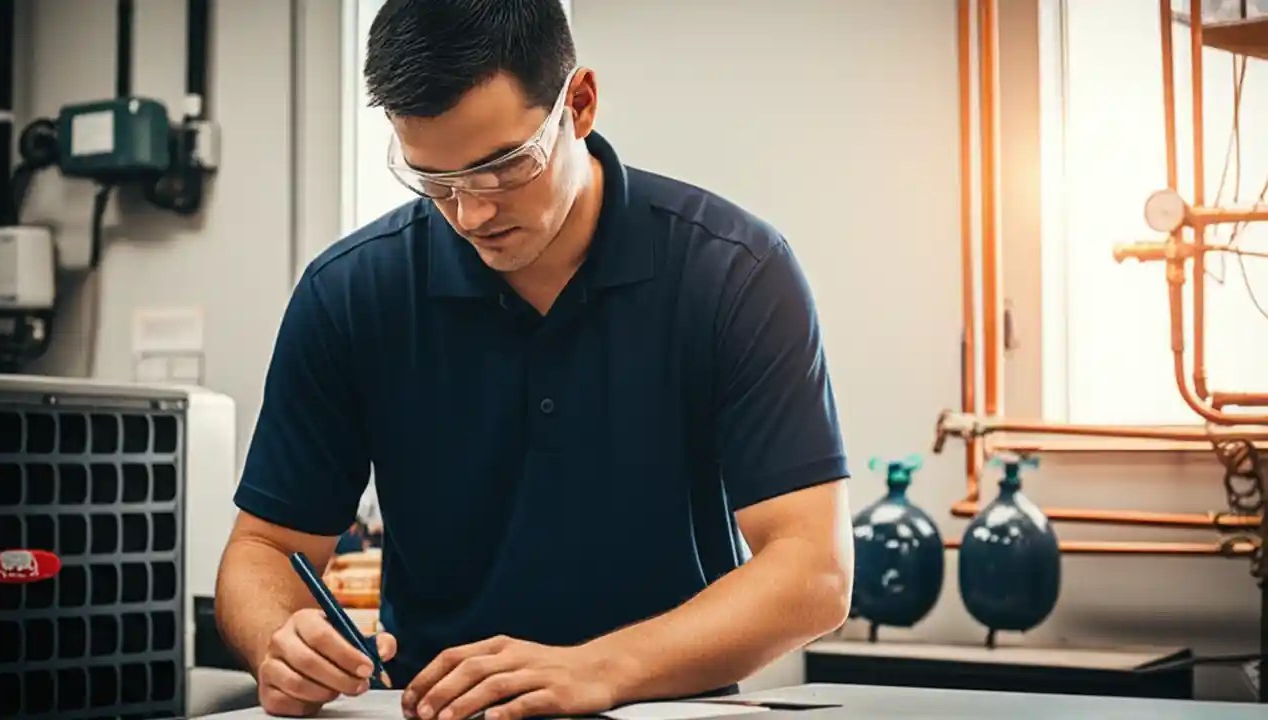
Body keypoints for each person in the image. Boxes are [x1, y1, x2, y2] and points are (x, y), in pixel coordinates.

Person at [214, 1, 855, 718]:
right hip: (438, 710)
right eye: (435, 182)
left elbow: (814, 572)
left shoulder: (734, 273)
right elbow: (262, 549)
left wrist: (599, 670)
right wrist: (280, 639)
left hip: (659, 707)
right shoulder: (350, 294)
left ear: (578, 104)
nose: (471, 215)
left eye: (501, 168)